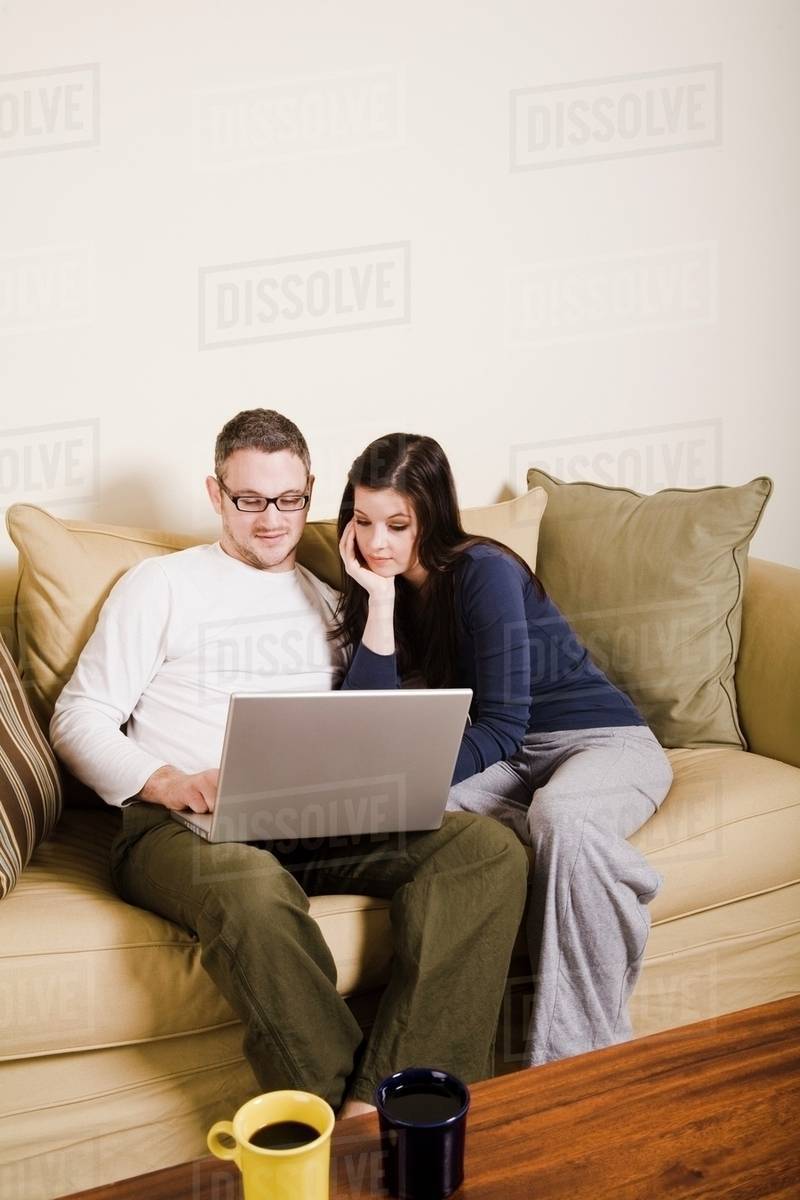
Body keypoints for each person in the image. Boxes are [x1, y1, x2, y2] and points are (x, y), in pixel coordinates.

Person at [49, 410, 529, 1118]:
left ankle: (390, 1102)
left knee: (486, 851)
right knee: (250, 888)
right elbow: (77, 717)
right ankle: (330, 1120)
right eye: (249, 501)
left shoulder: (331, 598)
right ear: (216, 495)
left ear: (310, 492)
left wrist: (379, 612)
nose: (273, 522)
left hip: (316, 819)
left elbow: (368, 723)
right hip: (182, 828)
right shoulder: (162, 585)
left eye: (290, 500)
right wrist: (169, 781)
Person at [334, 432, 674, 1066]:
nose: (377, 543)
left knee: (563, 818)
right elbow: (371, 722)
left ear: (430, 516)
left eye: (398, 524)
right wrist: (378, 604)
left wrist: (412, 776)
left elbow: (502, 723)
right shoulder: (379, 588)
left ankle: (578, 1065)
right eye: (363, 521)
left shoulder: (483, 572)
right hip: (509, 763)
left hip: (598, 741)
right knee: (421, 822)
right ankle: (579, 857)